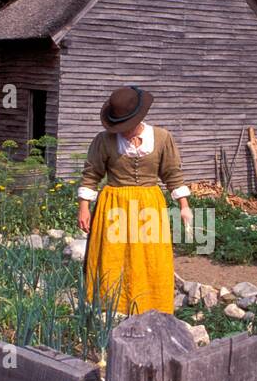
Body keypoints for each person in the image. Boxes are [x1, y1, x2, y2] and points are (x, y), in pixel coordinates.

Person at [77, 86, 192, 314]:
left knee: (151, 257)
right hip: (114, 205)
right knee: (114, 257)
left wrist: (184, 206)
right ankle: (112, 309)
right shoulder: (104, 140)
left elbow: (172, 174)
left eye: (127, 126)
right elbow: (91, 175)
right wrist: (83, 208)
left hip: (150, 205)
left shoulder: (161, 138)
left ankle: (152, 307)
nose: (124, 131)